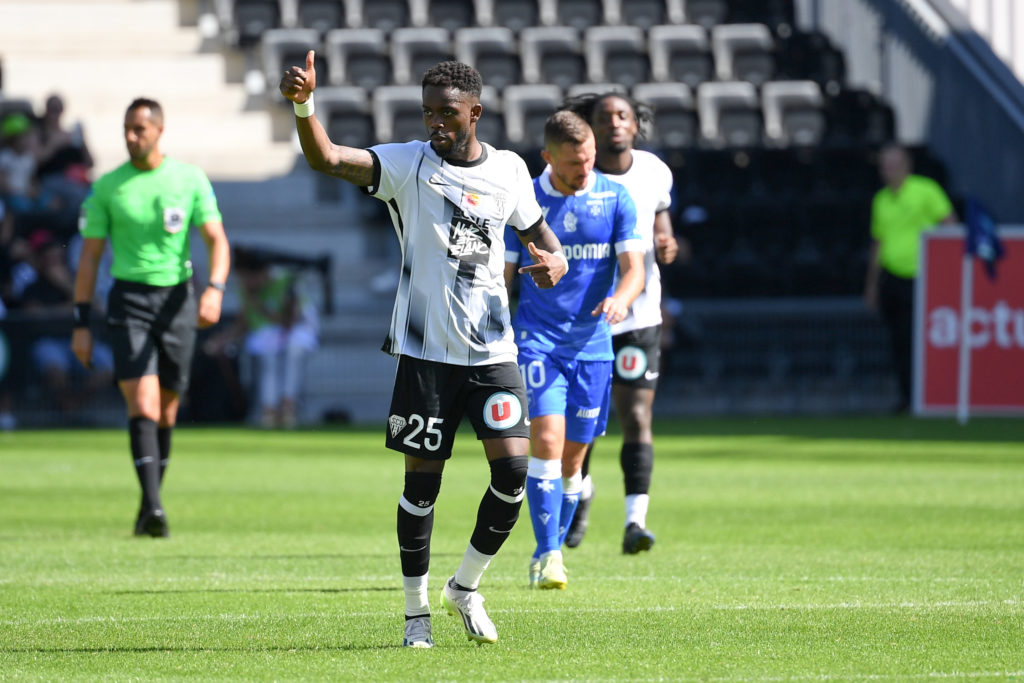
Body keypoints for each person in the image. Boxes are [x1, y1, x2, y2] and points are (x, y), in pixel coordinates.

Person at [280, 54, 567, 648]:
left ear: (476, 113)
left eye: (448, 112)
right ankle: (416, 613)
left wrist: (555, 260)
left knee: (513, 474)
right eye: (428, 111)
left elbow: (540, 235)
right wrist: (304, 105)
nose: (436, 122)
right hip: (426, 356)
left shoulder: (509, 171)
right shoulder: (407, 165)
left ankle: (465, 586)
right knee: (421, 490)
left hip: (493, 352)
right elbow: (328, 158)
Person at [72, 97, 231, 538]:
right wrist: (81, 322)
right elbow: (88, 261)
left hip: (178, 301)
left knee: (166, 409)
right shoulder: (108, 187)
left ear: (159, 130)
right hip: (128, 301)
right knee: (141, 403)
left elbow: (217, 241)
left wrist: (214, 290)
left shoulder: (188, 179)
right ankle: (157, 508)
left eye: (139, 129)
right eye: (126, 128)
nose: (130, 136)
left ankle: (147, 506)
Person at [504, 110, 644, 590]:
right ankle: (550, 554)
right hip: (538, 340)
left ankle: (551, 551)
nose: (585, 171)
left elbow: (634, 270)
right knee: (545, 442)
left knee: (573, 462)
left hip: (594, 345)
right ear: (548, 158)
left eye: (589, 160)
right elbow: (502, 277)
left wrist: (620, 301)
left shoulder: (614, 196)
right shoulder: (526, 201)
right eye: (573, 165)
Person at [558, 92, 682, 554]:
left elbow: (661, 226)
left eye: (623, 115)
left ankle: (635, 521)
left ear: (636, 124)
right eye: (604, 117)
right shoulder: (574, 175)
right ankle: (580, 496)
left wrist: (666, 243)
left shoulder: (653, 172)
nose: (615, 123)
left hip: (638, 316)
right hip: (582, 321)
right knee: (580, 424)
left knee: (636, 415)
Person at [863, 143, 955, 413]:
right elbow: (878, 243)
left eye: (892, 165)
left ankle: (928, 397)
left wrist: (946, 270)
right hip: (892, 278)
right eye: (883, 166)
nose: (887, 171)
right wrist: (871, 284)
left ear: (906, 165)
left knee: (919, 339)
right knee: (898, 340)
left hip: (921, 279)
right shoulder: (881, 200)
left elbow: (950, 225)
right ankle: (907, 397)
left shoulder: (925, 190)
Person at [204, 249, 319, 429]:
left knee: (293, 350)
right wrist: (223, 339)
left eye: (250, 277)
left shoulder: (285, 281)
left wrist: (259, 305)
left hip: (296, 329)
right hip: (269, 335)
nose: (247, 282)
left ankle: (288, 406)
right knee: (268, 357)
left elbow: (289, 322)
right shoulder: (246, 289)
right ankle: (269, 410)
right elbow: (244, 322)